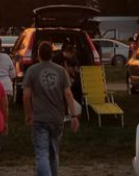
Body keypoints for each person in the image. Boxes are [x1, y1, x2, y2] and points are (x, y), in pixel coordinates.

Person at [23, 41, 80, 176]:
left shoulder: (32, 71)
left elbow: (26, 96)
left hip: (40, 118)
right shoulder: (61, 71)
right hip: (57, 119)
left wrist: (28, 114)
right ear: (52, 55)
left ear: (38, 55)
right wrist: (73, 116)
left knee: (42, 153)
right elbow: (68, 94)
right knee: (53, 153)